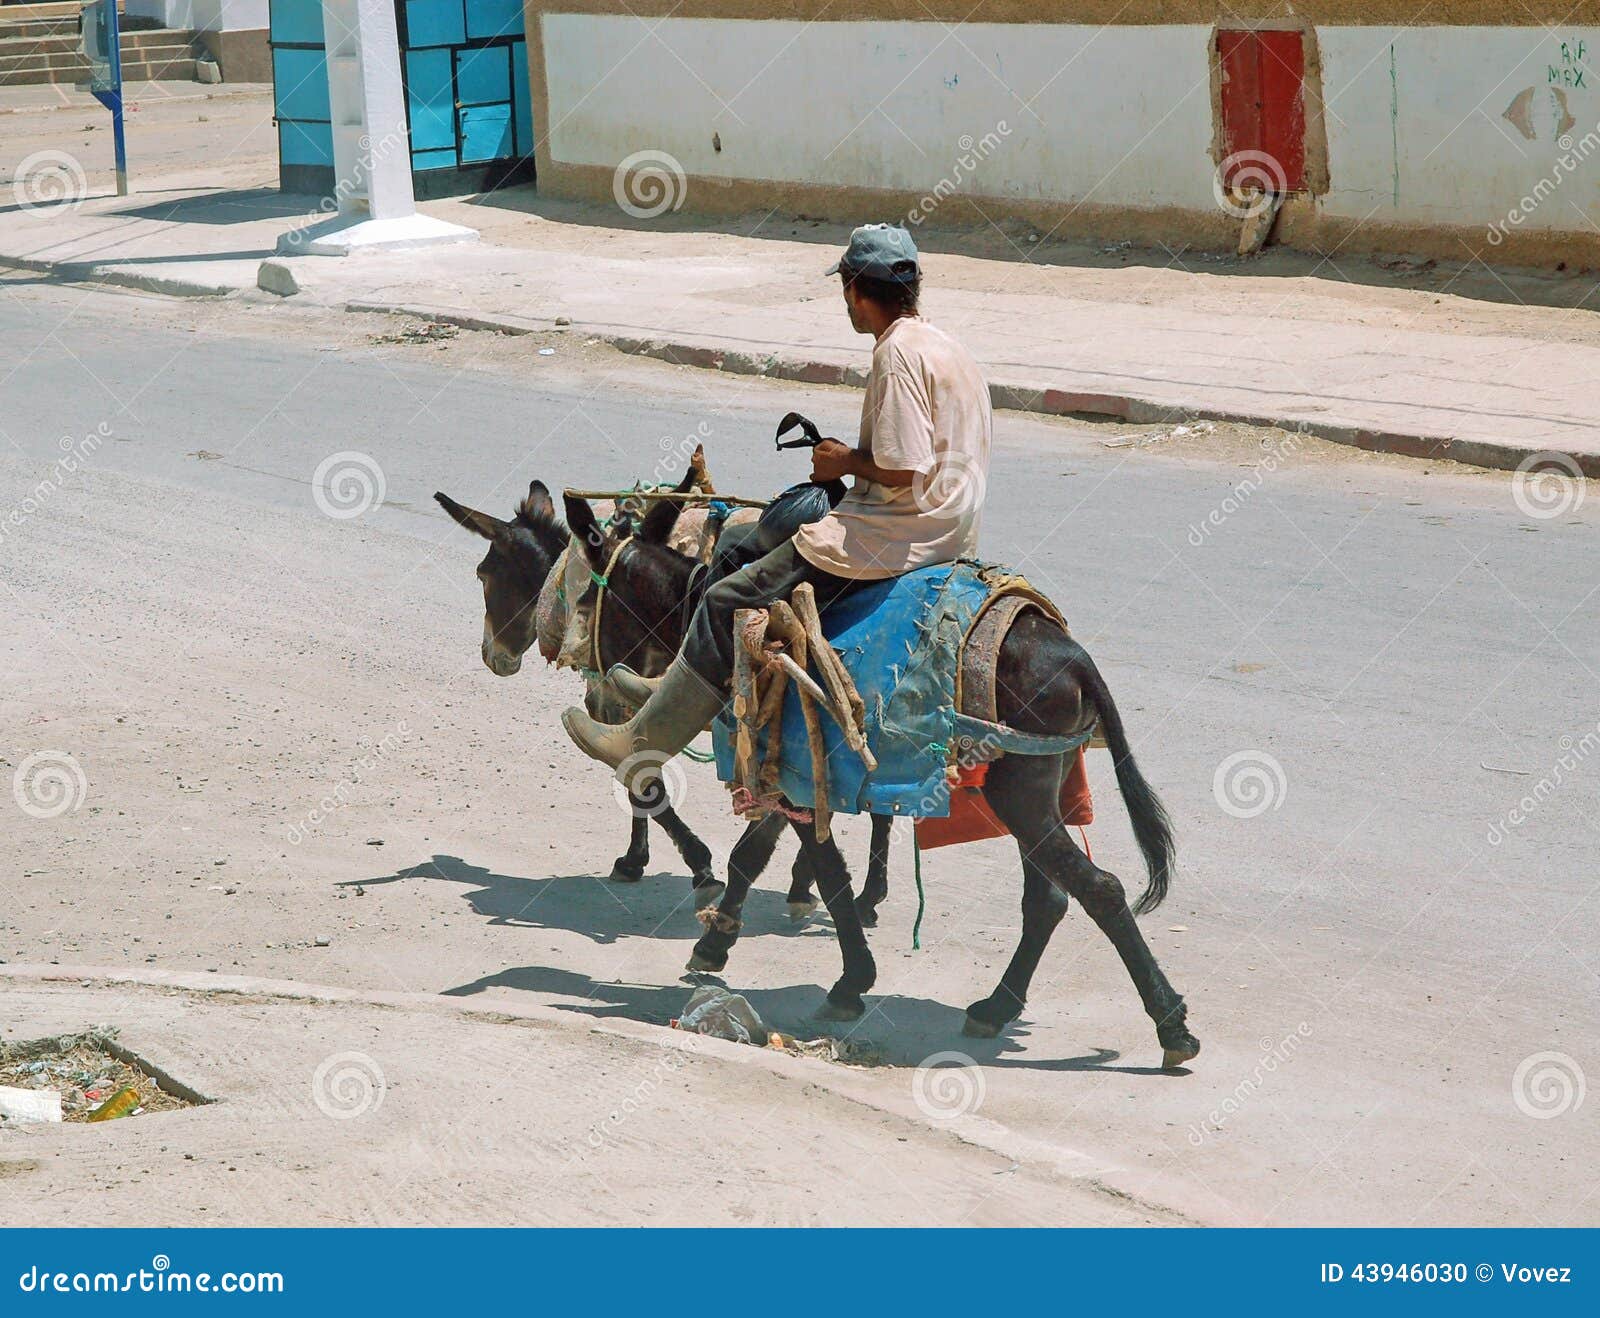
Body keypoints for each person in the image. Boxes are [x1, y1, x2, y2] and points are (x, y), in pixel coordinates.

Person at [562, 222, 993, 787]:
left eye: (846, 291)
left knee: (724, 596)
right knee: (738, 542)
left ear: (855, 290)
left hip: (899, 531)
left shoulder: (896, 354)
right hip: (950, 522)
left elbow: (904, 467)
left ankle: (638, 746)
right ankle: (677, 686)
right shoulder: (945, 345)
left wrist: (842, 463)